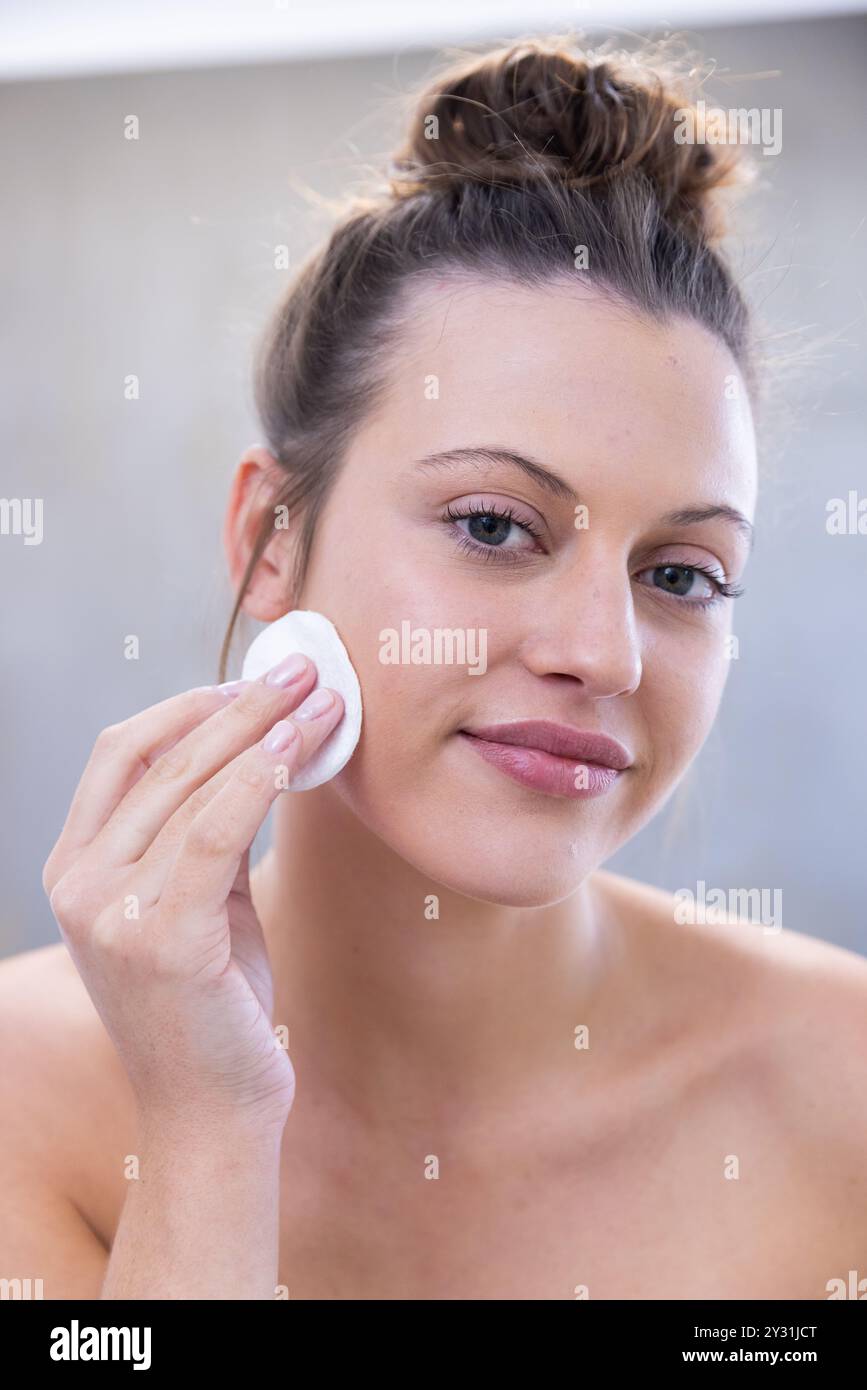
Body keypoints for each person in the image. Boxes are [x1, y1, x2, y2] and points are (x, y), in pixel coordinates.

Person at [3, 36, 866, 1301]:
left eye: (680, 573)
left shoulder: (844, 1080)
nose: (601, 653)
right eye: (494, 525)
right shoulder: (21, 1102)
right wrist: (205, 1129)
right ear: (268, 547)